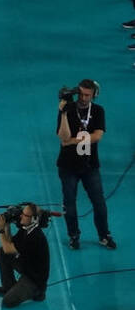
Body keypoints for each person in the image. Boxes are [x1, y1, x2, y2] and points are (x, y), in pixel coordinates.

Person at [57, 80, 116, 249]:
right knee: (69, 203)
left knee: (99, 202)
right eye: (81, 94)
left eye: (87, 95)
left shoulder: (97, 111)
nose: (83, 98)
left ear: (94, 95)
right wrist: (62, 114)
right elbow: (63, 136)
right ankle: (74, 235)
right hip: (68, 166)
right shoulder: (67, 109)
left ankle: (104, 234)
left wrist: (72, 142)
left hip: (90, 165)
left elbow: (97, 136)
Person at [0, 202, 50, 307]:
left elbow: (8, 248)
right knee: (1, 252)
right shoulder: (26, 229)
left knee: (8, 302)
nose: (20, 216)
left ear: (34, 219)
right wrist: (7, 226)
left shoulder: (35, 236)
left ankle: (38, 292)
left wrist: (0, 230)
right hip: (27, 267)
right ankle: (8, 287)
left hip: (34, 279)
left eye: (24, 215)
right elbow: (8, 245)